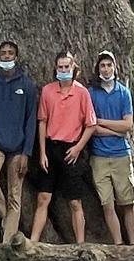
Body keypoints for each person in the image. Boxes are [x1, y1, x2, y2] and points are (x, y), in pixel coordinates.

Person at [28, 49, 95, 243]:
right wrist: (42, 152)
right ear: (55, 68)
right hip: (50, 146)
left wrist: (78, 148)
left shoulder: (82, 92)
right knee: (43, 198)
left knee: (75, 201)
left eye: (67, 66)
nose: (64, 69)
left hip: (71, 149)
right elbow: (42, 121)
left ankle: (80, 244)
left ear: (73, 68)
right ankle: (33, 241)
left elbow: (91, 125)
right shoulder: (48, 91)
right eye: (60, 67)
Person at [0, 39, 38, 243]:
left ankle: (7, 243)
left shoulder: (27, 85)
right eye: (3, 53)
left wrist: (26, 153)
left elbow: (31, 121)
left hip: (19, 147)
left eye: (10, 53)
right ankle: (6, 218)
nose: (6, 56)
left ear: (16, 57)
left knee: (15, 195)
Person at [88, 49, 134, 244]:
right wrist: (114, 129)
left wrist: (103, 122)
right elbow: (92, 127)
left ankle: (133, 245)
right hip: (99, 156)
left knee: (128, 203)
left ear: (115, 67)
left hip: (121, 155)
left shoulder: (123, 92)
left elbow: (128, 125)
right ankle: (118, 244)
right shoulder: (91, 93)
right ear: (98, 68)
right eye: (103, 65)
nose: (106, 69)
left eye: (109, 65)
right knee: (107, 204)